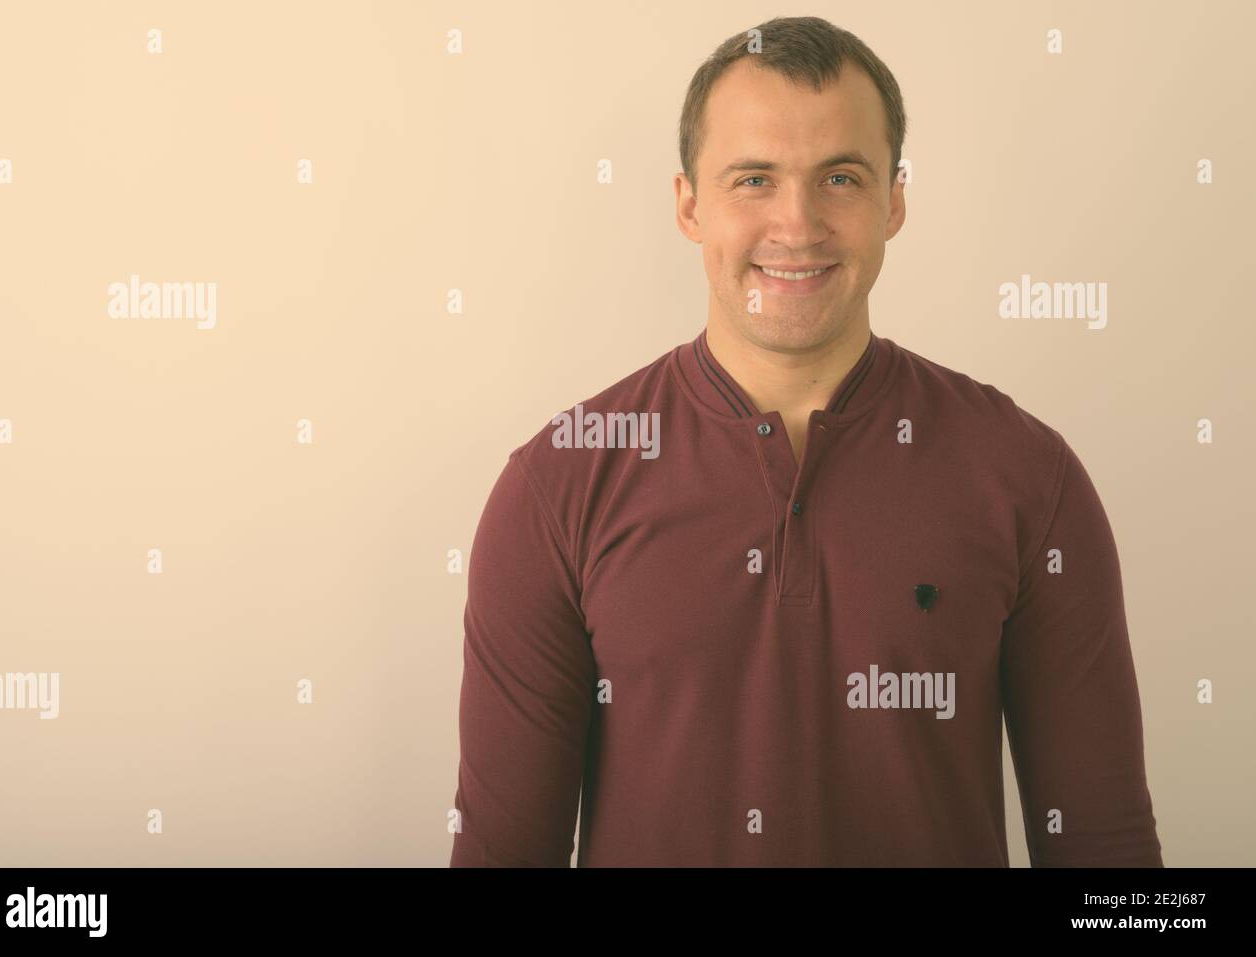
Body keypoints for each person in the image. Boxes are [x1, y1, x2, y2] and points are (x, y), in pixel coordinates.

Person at [448, 15, 1162, 867]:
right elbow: (501, 854)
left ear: (894, 200)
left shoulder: (1028, 478)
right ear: (689, 204)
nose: (798, 223)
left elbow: (1109, 861)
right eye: (754, 179)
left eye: (841, 178)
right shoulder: (557, 485)